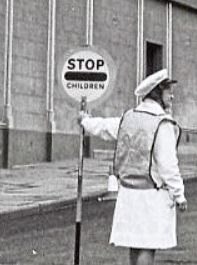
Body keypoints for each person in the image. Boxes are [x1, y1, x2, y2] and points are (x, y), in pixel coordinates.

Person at [79, 69, 187, 265]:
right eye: (168, 92)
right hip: (152, 194)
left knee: (135, 244)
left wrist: (85, 121)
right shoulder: (161, 123)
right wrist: (179, 194)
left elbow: (104, 127)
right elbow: (167, 164)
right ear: (157, 93)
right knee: (147, 245)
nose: (172, 96)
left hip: (128, 193)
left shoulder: (128, 118)